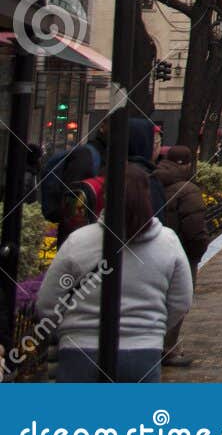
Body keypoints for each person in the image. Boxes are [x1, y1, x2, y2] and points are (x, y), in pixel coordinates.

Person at [39, 164, 194, 383]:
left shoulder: (79, 241)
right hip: (142, 353)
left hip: (80, 351)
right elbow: (181, 301)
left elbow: (47, 302)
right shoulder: (167, 242)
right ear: (147, 196)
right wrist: (151, 329)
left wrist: (69, 331)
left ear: (105, 197)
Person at [153, 146, 210, 368]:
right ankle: (167, 348)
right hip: (181, 254)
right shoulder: (187, 190)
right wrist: (196, 253)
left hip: (151, 252)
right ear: (187, 164)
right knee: (178, 299)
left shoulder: (152, 180)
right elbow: (195, 228)